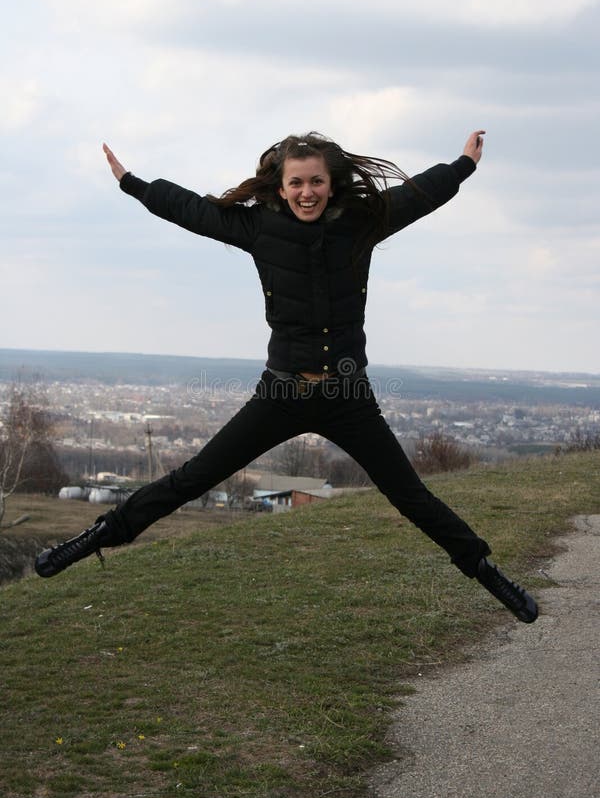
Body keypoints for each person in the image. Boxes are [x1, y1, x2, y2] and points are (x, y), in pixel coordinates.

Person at [35, 130, 538, 623]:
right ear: (281, 188)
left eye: (316, 181)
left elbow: (417, 196)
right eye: (296, 183)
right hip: (281, 393)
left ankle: (485, 571)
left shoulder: (362, 223)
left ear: (330, 184)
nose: (307, 192)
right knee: (193, 478)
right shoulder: (260, 229)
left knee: (411, 497)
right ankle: (95, 539)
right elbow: (193, 211)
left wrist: (463, 166)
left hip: (348, 396)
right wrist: (134, 183)